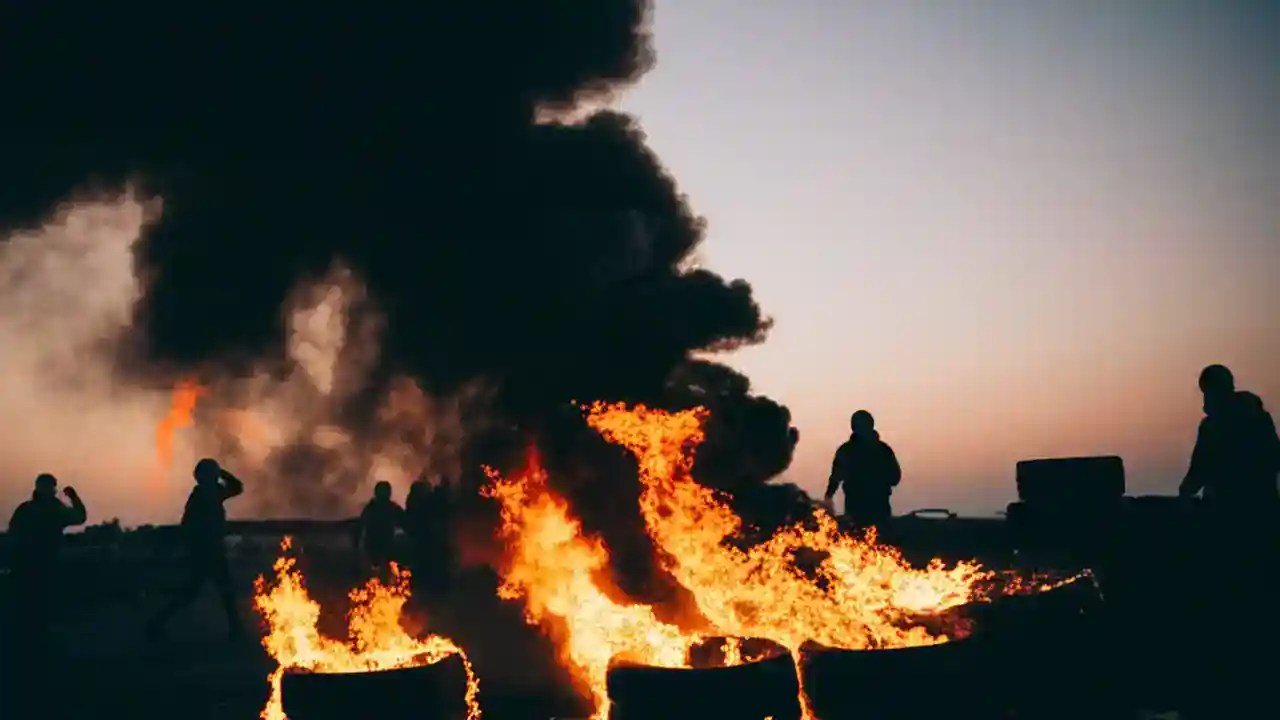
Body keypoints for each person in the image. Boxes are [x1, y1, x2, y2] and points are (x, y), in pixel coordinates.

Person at [146, 458, 245, 641]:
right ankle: (157, 622)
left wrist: (221, 473)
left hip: (209, 550)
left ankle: (157, 622)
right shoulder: (205, 496)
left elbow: (237, 488)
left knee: (216, 591)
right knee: (204, 592)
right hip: (207, 551)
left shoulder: (207, 493)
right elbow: (236, 488)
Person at [1178, 364, 1280, 510]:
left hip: (1225, 508)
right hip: (1264, 505)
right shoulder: (1258, 418)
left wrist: (1185, 492)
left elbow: (1199, 469)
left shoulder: (1213, 426)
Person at [6, 473, 87, 650]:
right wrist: (73, 498)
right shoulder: (41, 510)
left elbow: (79, 517)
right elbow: (79, 517)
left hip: (37, 565)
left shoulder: (31, 510)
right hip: (36, 565)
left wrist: (74, 497)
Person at [824, 410, 901, 528]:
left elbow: (836, 478)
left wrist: (828, 496)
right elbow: (895, 478)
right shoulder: (883, 450)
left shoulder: (847, 450)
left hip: (860, 508)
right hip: (876, 508)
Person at [358, 481, 405, 572]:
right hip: (376, 544)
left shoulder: (373, 508)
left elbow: (404, 522)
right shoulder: (389, 508)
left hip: (383, 544)